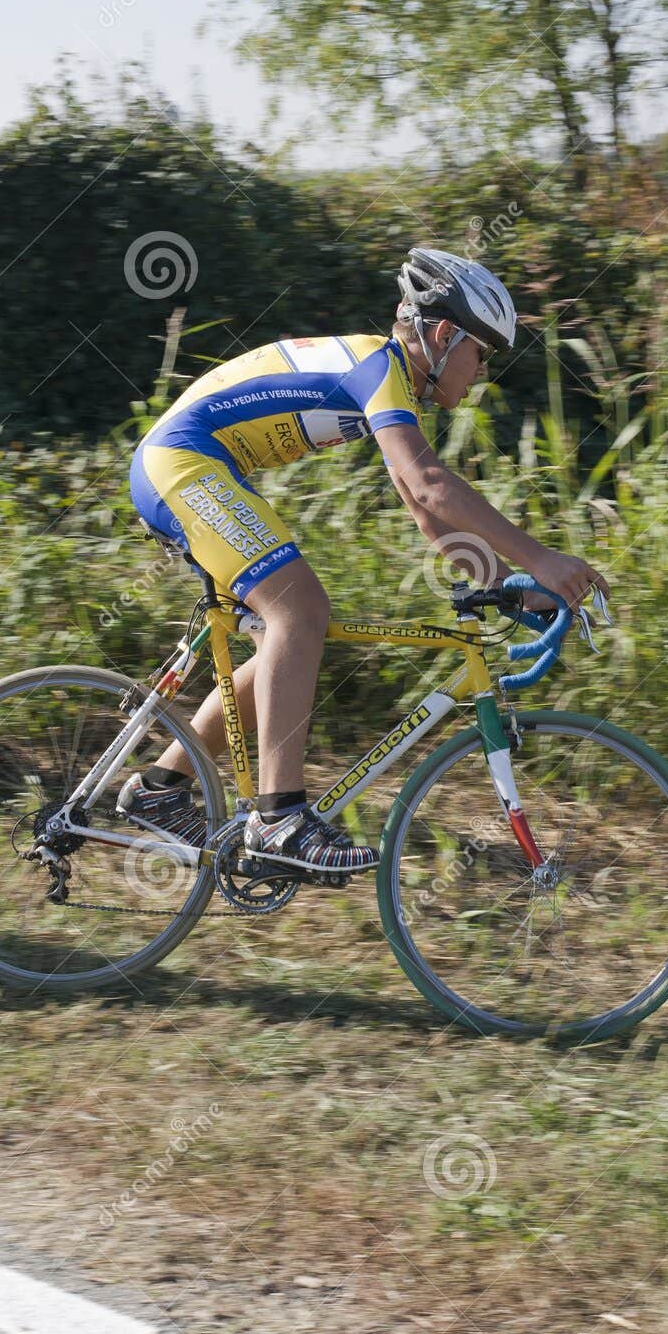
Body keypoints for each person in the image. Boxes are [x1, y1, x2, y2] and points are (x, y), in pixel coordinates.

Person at [126, 246, 609, 873]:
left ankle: (159, 792)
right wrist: (542, 558)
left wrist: (503, 586)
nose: (482, 369)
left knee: (290, 632)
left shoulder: (387, 379)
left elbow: (423, 506)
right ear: (442, 334)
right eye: (481, 352)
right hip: (182, 464)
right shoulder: (377, 367)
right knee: (299, 608)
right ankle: (278, 820)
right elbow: (432, 482)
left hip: (197, 467)